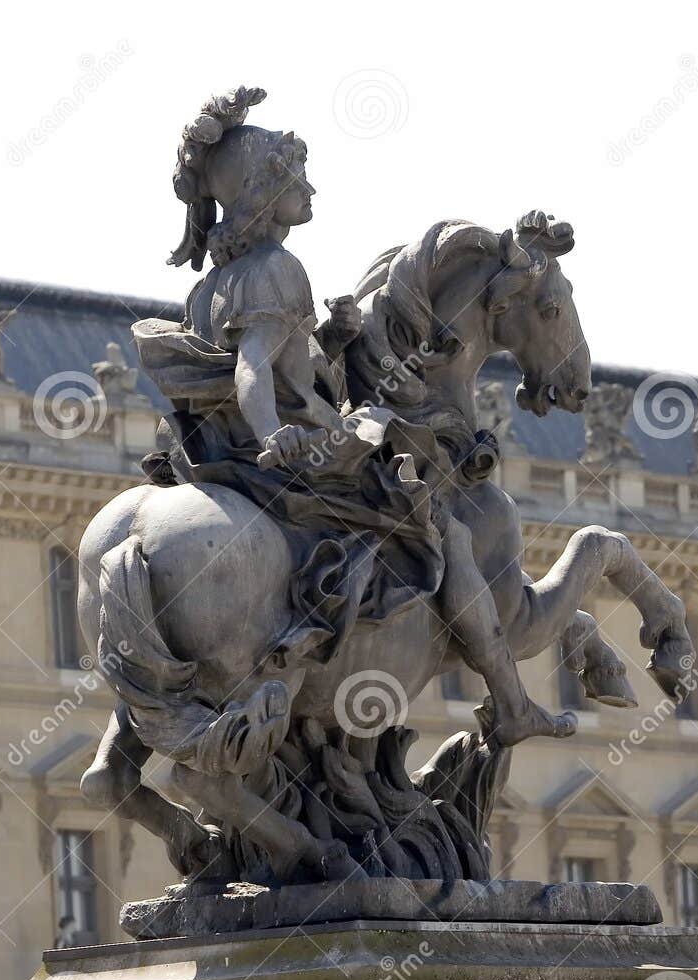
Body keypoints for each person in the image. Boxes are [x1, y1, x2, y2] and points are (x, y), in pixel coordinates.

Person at [135, 87, 572, 746]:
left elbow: (279, 362)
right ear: (263, 197)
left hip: (224, 450)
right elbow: (254, 369)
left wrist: (332, 341)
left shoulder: (211, 285)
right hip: (288, 447)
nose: (310, 189)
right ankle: (510, 700)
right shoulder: (278, 269)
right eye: (295, 179)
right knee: (438, 525)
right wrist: (272, 432)